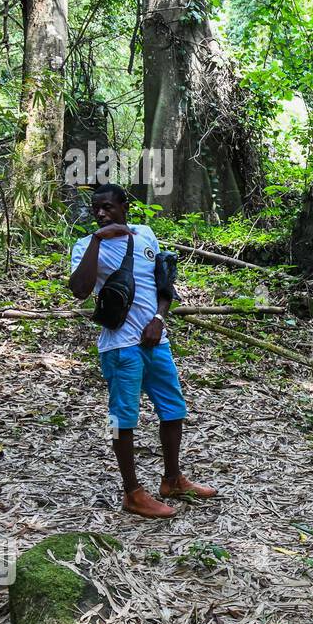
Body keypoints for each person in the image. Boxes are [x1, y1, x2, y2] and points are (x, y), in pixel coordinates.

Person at [68, 184, 215, 518]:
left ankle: (173, 479)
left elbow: (164, 284)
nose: (102, 214)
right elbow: (79, 290)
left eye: (107, 207)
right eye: (96, 209)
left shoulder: (145, 234)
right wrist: (96, 241)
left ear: (124, 206)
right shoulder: (85, 245)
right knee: (121, 419)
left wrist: (159, 319)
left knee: (174, 409)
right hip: (120, 347)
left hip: (155, 342)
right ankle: (132, 492)